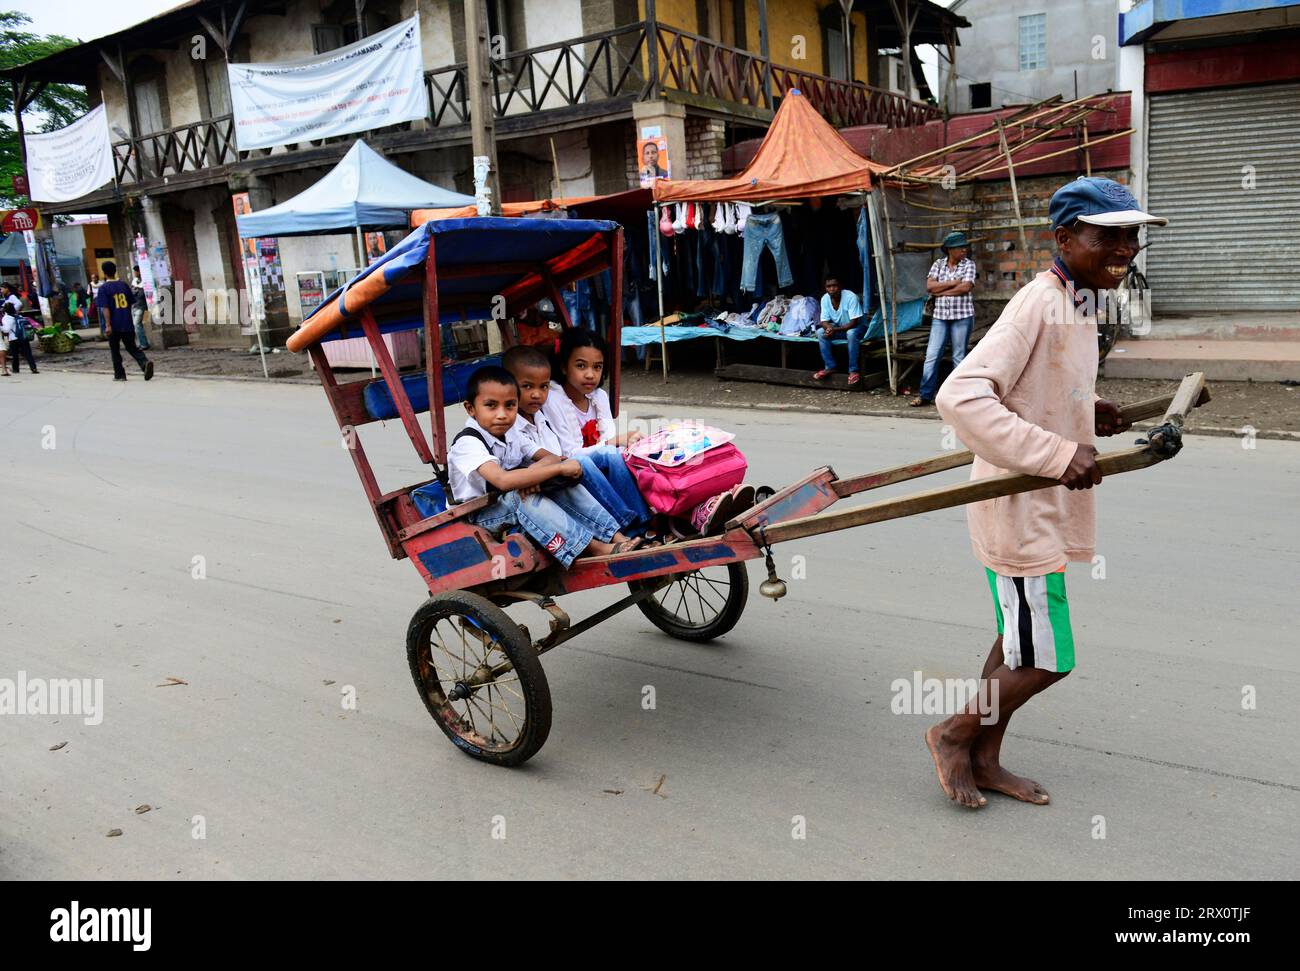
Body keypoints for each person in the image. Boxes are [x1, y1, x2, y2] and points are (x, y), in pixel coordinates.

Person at [925, 177, 1162, 809]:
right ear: (1062, 237)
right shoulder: (1040, 302)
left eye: (1130, 236)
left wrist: (1088, 414)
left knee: (1015, 640)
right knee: (1048, 656)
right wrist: (1057, 453)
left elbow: (1039, 390)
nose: (1124, 247)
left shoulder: (1078, 303)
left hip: (1038, 505)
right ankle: (952, 734)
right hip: (1019, 505)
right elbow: (962, 395)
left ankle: (985, 757)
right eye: (1106, 234)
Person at [448, 365, 642, 565]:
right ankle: (595, 547)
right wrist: (554, 469)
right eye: (491, 405)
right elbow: (503, 480)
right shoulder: (468, 442)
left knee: (557, 480)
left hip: (505, 498)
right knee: (524, 498)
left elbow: (551, 457)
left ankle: (616, 537)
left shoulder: (511, 432)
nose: (502, 414)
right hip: (480, 514)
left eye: (510, 405)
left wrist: (535, 472)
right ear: (471, 409)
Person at [503, 343, 653, 538]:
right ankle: (629, 526)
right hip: (541, 484)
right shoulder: (514, 423)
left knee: (612, 454)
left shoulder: (539, 416)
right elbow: (558, 456)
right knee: (580, 461)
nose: (536, 394)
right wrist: (545, 467)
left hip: (557, 470)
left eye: (543, 387)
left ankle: (646, 520)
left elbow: (557, 455)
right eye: (527, 387)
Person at [911, 231, 976, 407]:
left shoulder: (969, 265)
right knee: (932, 355)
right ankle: (925, 395)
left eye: (965, 247)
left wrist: (941, 291)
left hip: (962, 316)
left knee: (958, 357)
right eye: (960, 247)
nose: (964, 250)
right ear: (949, 249)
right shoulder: (938, 264)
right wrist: (953, 282)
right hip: (940, 317)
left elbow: (965, 287)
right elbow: (930, 286)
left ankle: (958, 397)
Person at [95, 261, 153, 382]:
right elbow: (132, 302)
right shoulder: (124, 285)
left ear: (104, 273)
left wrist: (108, 325)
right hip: (127, 322)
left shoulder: (104, 288)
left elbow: (105, 308)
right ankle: (144, 362)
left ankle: (120, 374)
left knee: (115, 350)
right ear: (115, 271)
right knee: (132, 347)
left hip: (114, 325)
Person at [812, 274, 866, 385]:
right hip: (841, 329)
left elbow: (854, 323)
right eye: (829, 286)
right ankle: (830, 366)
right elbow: (824, 321)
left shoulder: (851, 297)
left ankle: (853, 370)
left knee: (851, 333)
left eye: (834, 285)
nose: (832, 289)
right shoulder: (825, 299)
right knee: (820, 332)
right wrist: (828, 328)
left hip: (858, 328)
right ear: (825, 288)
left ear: (840, 286)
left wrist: (834, 329)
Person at [2, 283, 37, 374]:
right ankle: (33, 367)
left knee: (15, 354)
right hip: (23, 336)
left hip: (14, 338)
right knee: (28, 353)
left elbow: (6, 329)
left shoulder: (7, 316)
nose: (1, 290)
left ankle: (15, 369)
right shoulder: (19, 316)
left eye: (2, 288)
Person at [129, 270, 150, 350]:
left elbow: (142, 294)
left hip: (142, 307)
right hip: (134, 306)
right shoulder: (134, 281)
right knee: (138, 325)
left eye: (136, 272)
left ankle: (144, 344)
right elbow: (131, 292)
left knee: (137, 324)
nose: (135, 273)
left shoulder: (145, 282)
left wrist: (136, 290)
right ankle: (142, 343)